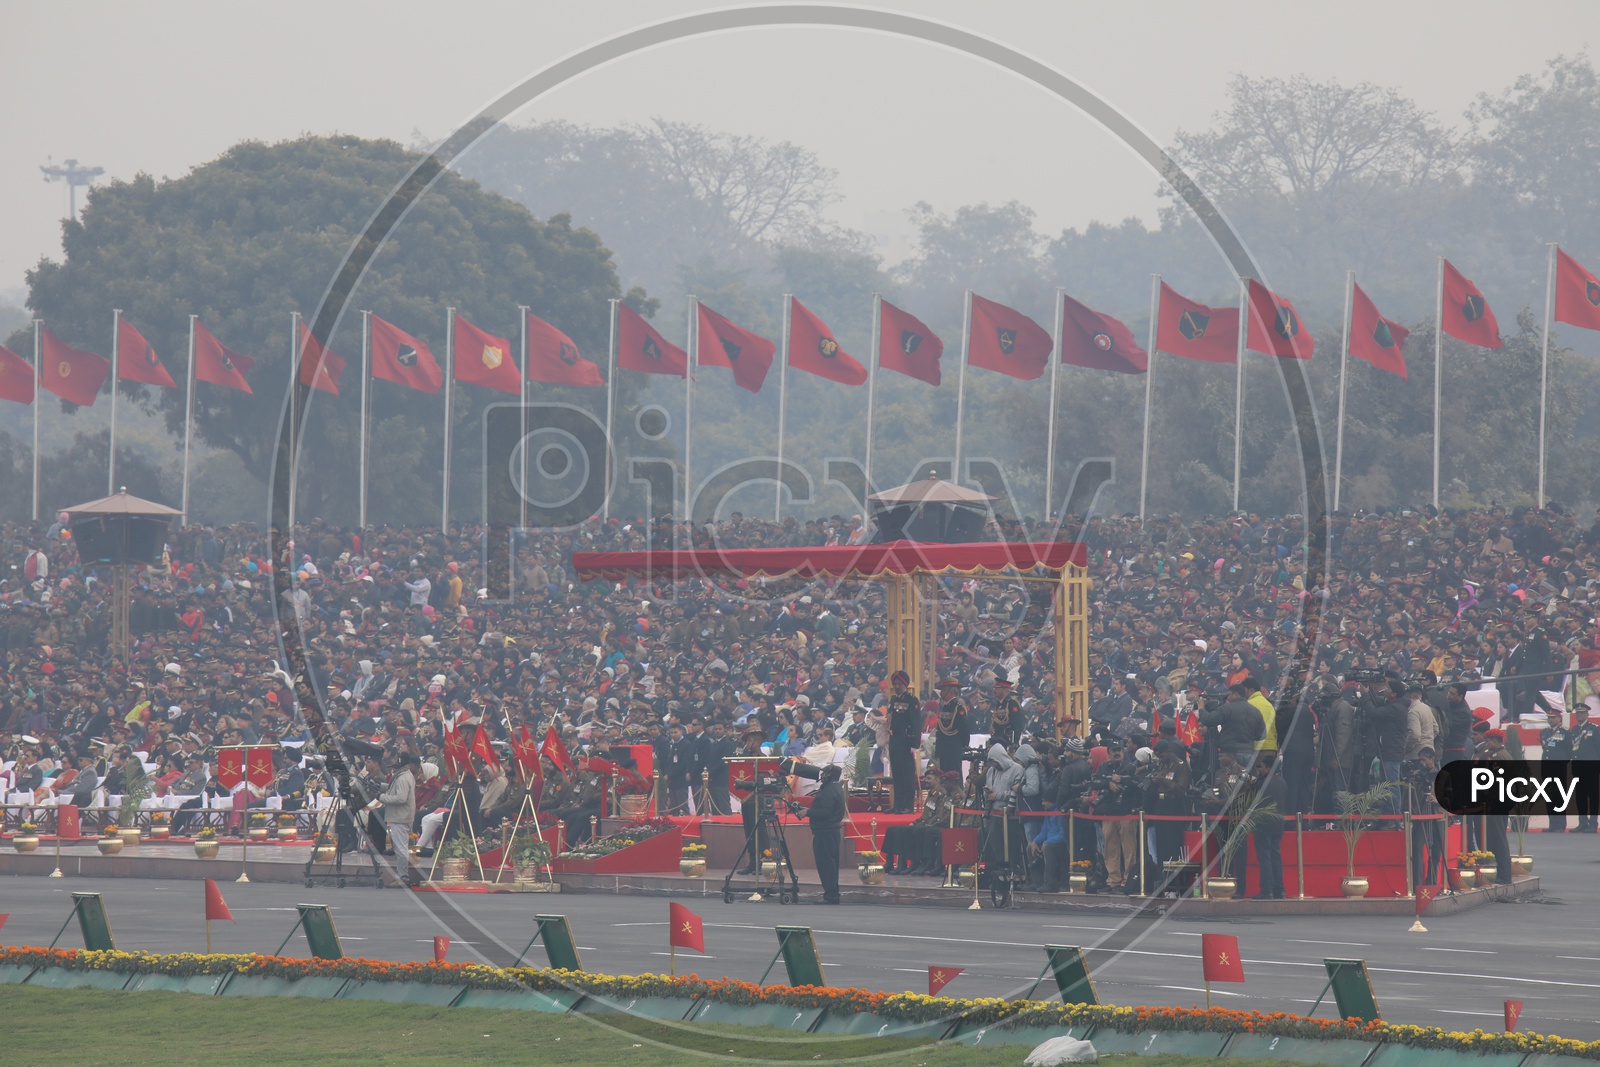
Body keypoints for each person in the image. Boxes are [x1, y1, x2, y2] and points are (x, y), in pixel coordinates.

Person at [374, 752, 417, 887]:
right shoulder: (403, 775)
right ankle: (400, 875)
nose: (392, 761)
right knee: (400, 847)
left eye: (394, 758)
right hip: (400, 816)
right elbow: (395, 789)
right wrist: (380, 787)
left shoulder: (403, 777)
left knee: (400, 848)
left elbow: (400, 798)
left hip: (400, 816)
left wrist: (381, 797)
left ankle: (402, 877)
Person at [805, 764, 846, 904]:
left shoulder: (829, 791)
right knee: (830, 864)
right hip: (830, 832)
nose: (821, 776)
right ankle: (832, 893)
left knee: (826, 864)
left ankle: (831, 895)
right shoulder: (834, 788)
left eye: (823, 773)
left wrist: (807, 812)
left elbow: (825, 812)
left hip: (825, 832)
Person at [1248, 757, 1286, 899]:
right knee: (1275, 855)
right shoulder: (1282, 782)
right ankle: (1279, 889)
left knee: (1264, 857)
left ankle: (1266, 889)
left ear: (1268, 769)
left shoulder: (1262, 783)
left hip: (1263, 823)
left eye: (1261, 766)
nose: (1259, 769)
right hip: (1278, 823)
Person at [886, 671, 921, 813]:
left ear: (905, 684)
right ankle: (898, 805)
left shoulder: (912, 700)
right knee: (897, 773)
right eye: (895, 684)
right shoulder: (893, 700)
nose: (897, 686)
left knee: (907, 774)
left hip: (906, 740)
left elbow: (916, 723)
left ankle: (908, 805)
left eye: (899, 683)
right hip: (894, 739)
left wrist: (915, 744)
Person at [932, 678, 970, 773]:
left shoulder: (958, 707)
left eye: (944, 690)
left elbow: (963, 729)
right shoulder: (945, 707)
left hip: (953, 748)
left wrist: (964, 745)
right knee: (944, 774)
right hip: (944, 747)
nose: (941, 693)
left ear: (952, 692)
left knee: (954, 775)